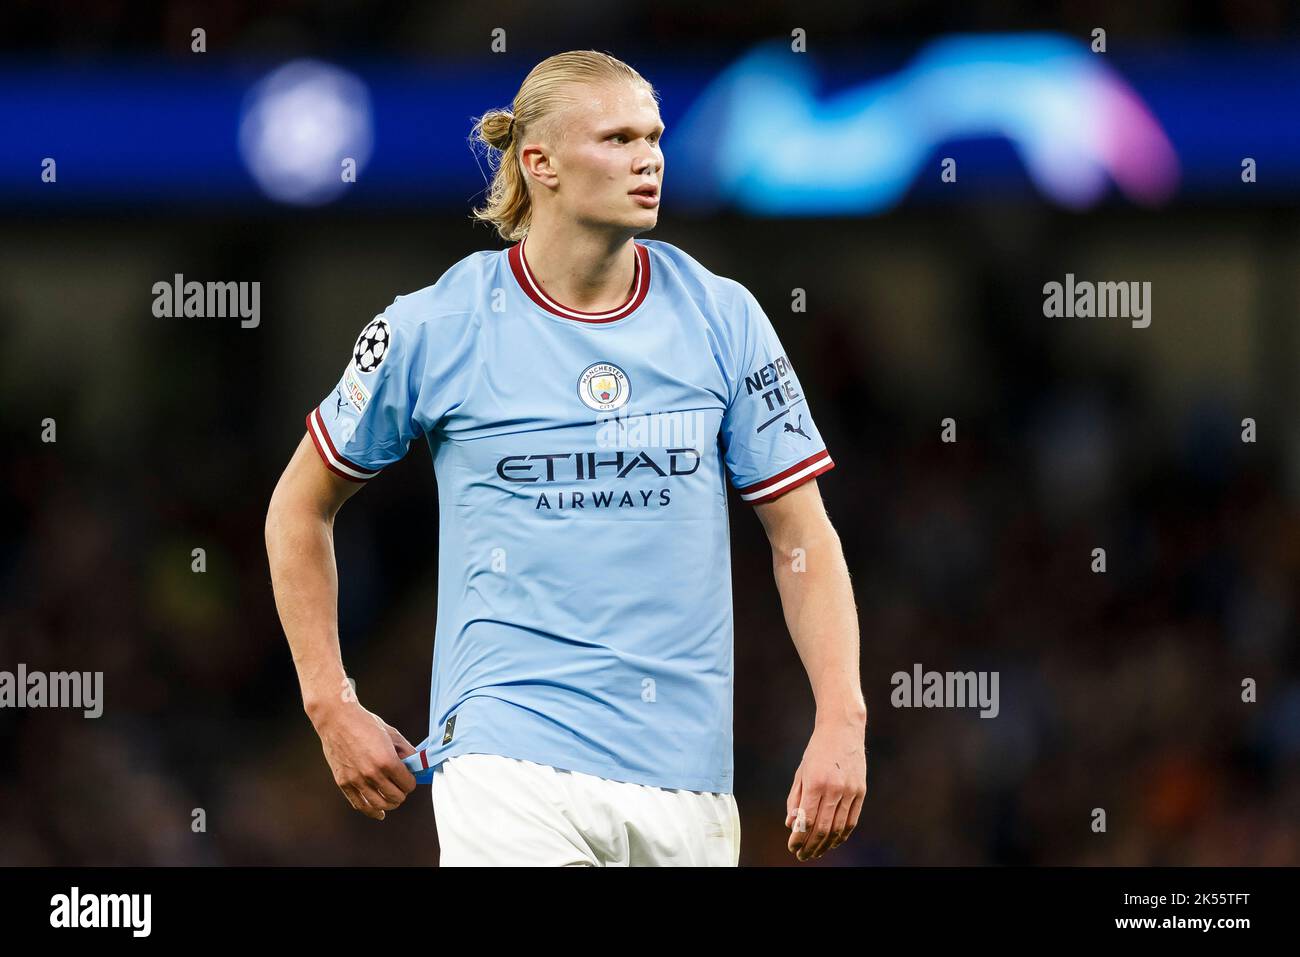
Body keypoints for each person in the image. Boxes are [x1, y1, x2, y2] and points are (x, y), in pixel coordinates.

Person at [265, 50, 866, 866]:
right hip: (506, 760)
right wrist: (331, 703)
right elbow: (299, 506)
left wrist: (841, 720)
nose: (648, 156)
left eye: (653, 137)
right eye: (618, 138)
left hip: (688, 781)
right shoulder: (435, 327)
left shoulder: (724, 319)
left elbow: (802, 537)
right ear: (539, 162)